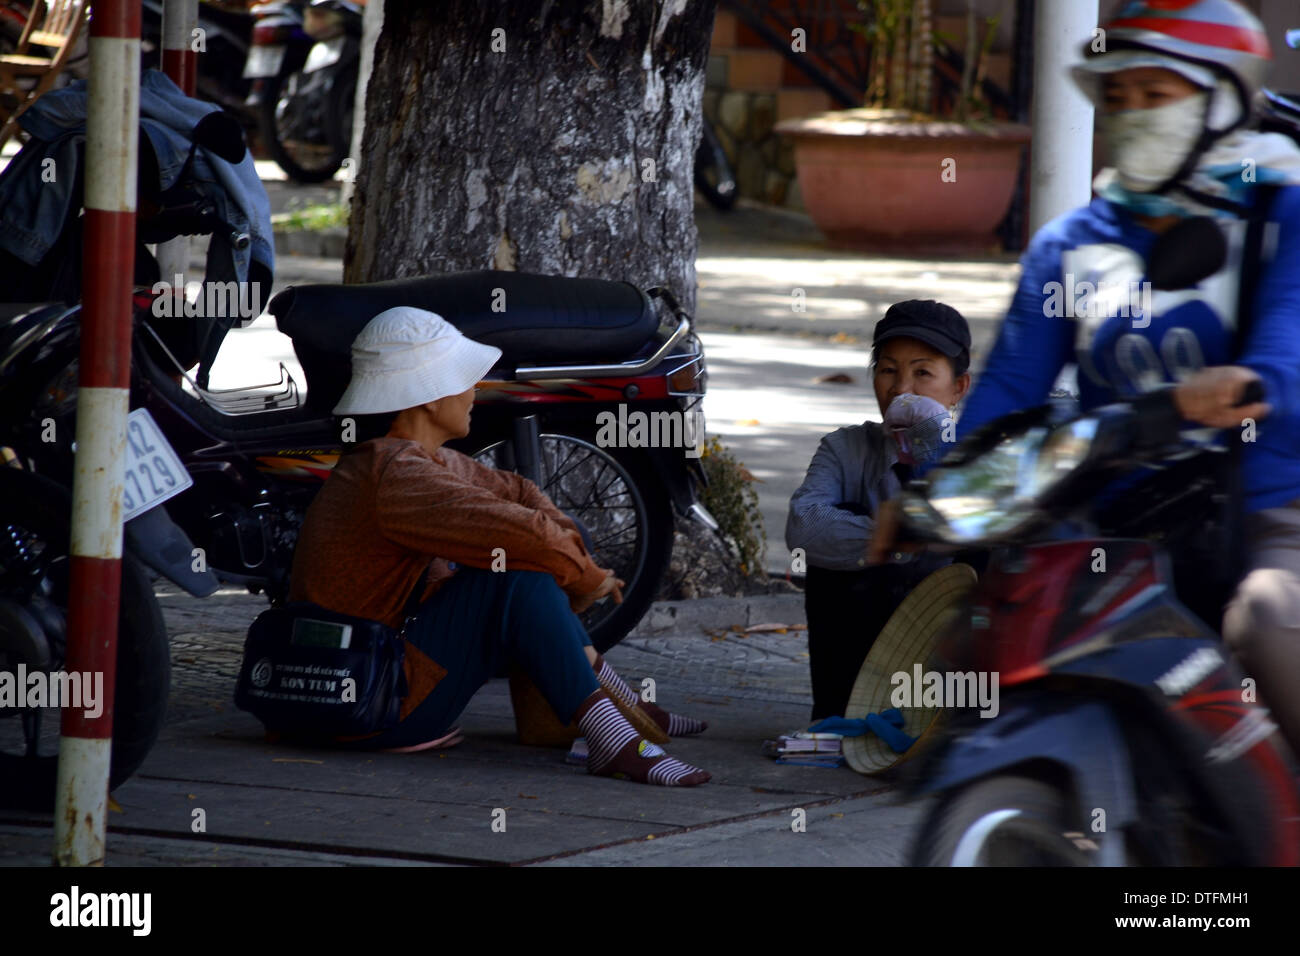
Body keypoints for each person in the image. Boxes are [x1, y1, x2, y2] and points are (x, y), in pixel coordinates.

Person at [874, 1, 1300, 755]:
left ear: (1222, 101)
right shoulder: (1073, 241)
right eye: (1118, 96)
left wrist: (1250, 382)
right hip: (1118, 518)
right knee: (1007, 641)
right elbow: (1009, 387)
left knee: (1263, 621)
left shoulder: (1279, 209)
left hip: (1267, 508)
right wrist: (934, 492)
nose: (1131, 112)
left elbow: (1285, 345)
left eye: (1156, 94)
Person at [288, 306, 709, 786]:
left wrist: (569, 550)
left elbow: (519, 492)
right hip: (367, 704)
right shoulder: (397, 475)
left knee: (545, 547)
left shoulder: (415, 459)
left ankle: (614, 707)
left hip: (375, 681)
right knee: (520, 575)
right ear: (428, 396)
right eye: (464, 378)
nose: (474, 390)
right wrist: (587, 577)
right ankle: (612, 734)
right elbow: (525, 538)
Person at [786, 300, 972, 720]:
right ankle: (842, 712)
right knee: (836, 528)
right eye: (888, 370)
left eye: (923, 373)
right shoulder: (846, 447)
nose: (901, 389)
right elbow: (802, 527)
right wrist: (891, 536)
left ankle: (958, 716)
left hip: (947, 656)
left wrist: (933, 456)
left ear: (958, 387)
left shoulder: (976, 456)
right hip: (860, 656)